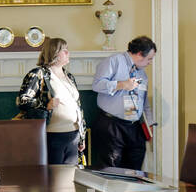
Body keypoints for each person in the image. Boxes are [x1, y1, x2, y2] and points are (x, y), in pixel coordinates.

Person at [17, 36, 85, 166]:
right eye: (64, 50)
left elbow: (78, 106)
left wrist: (81, 136)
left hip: (73, 135)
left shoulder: (68, 75)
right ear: (54, 53)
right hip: (53, 136)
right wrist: (46, 105)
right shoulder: (39, 74)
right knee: (53, 180)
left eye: (67, 49)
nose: (67, 53)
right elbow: (23, 101)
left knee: (70, 178)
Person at [92, 36, 156, 170]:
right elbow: (97, 85)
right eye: (149, 59)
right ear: (139, 54)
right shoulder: (113, 61)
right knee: (110, 170)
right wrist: (121, 85)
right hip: (111, 126)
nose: (150, 62)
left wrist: (150, 123)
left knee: (134, 169)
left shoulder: (142, 74)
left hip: (134, 127)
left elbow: (144, 102)